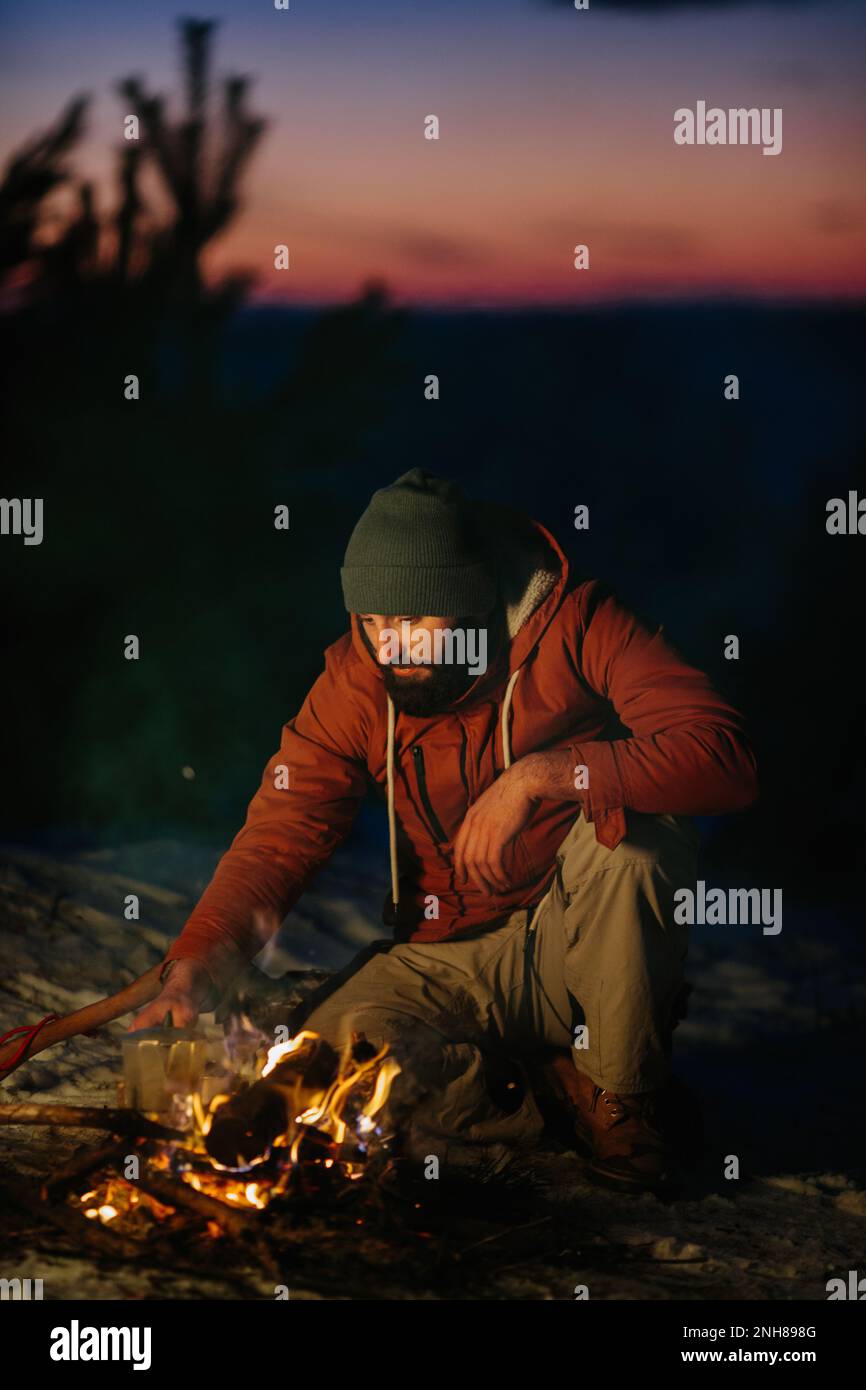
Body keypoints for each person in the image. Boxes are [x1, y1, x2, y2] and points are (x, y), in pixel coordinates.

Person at [132, 469, 758, 1191]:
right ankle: (540, 1092)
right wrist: (200, 959)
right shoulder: (356, 680)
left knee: (637, 840)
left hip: (579, 945)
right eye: (372, 622)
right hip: (446, 957)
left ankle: (623, 1097)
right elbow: (284, 831)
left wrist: (544, 775)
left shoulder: (581, 625)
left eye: (414, 621)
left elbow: (725, 758)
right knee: (330, 1069)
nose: (390, 647)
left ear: (472, 600)